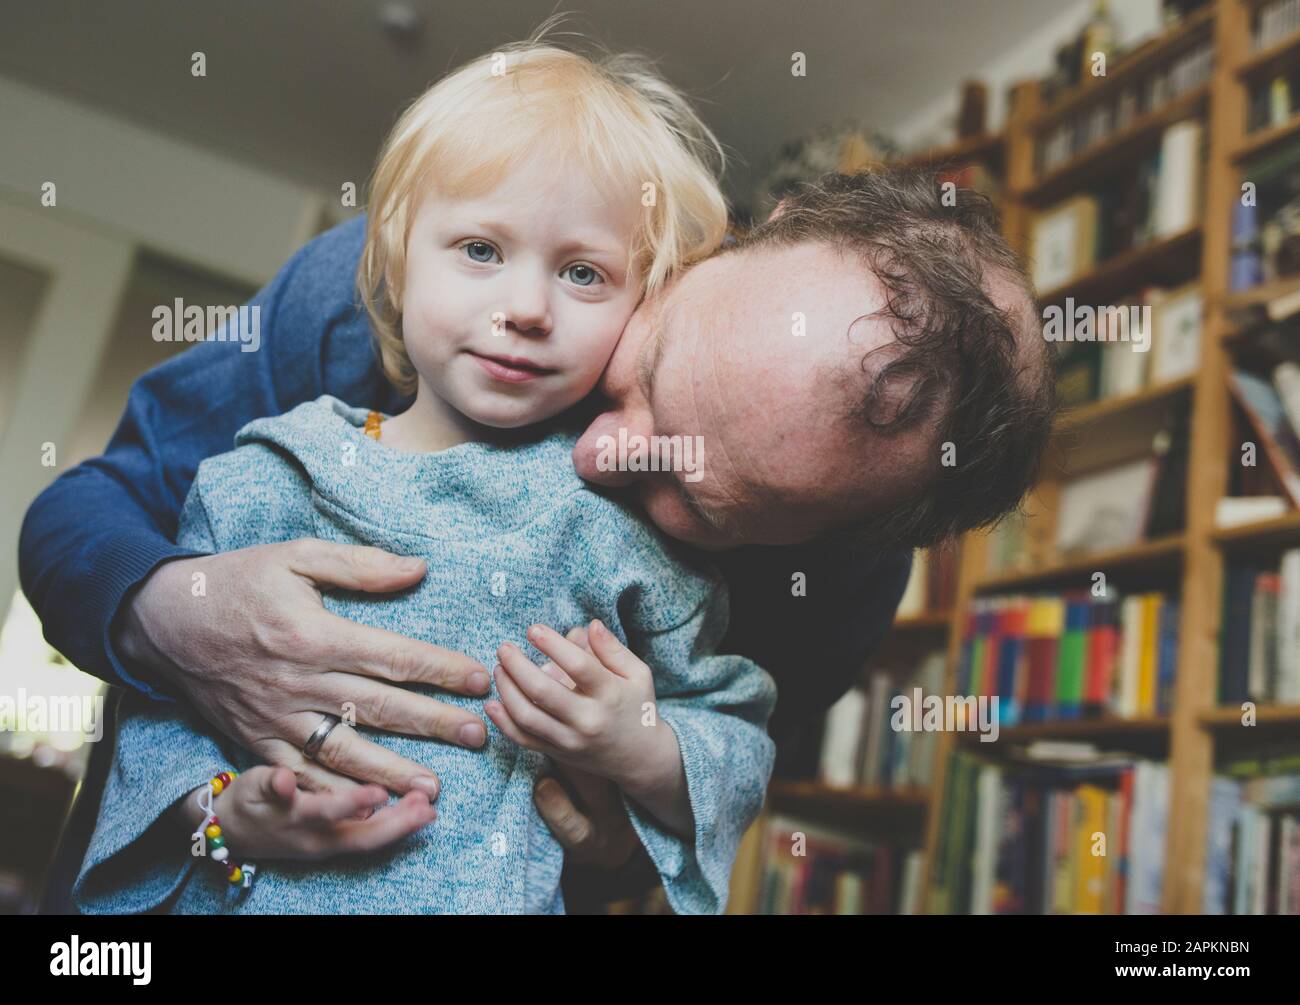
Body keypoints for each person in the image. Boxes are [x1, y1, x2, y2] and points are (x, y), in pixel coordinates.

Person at [22, 146, 1055, 914]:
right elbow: (80, 514)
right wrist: (169, 611)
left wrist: (622, 841)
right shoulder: (432, 282)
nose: (603, 457)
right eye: (651, 369)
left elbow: (694, 808)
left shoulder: (840, 585)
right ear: (757, 233)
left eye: (697, 505)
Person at [71, 38, 778, 915]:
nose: (525, 307)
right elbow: (166, 695)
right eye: (481, 249)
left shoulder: (618, 533)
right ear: (399, 259)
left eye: (583, 272)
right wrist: (213, 811)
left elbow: (734, 741)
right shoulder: (265, 475)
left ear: (641, 308)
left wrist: (642, 748)